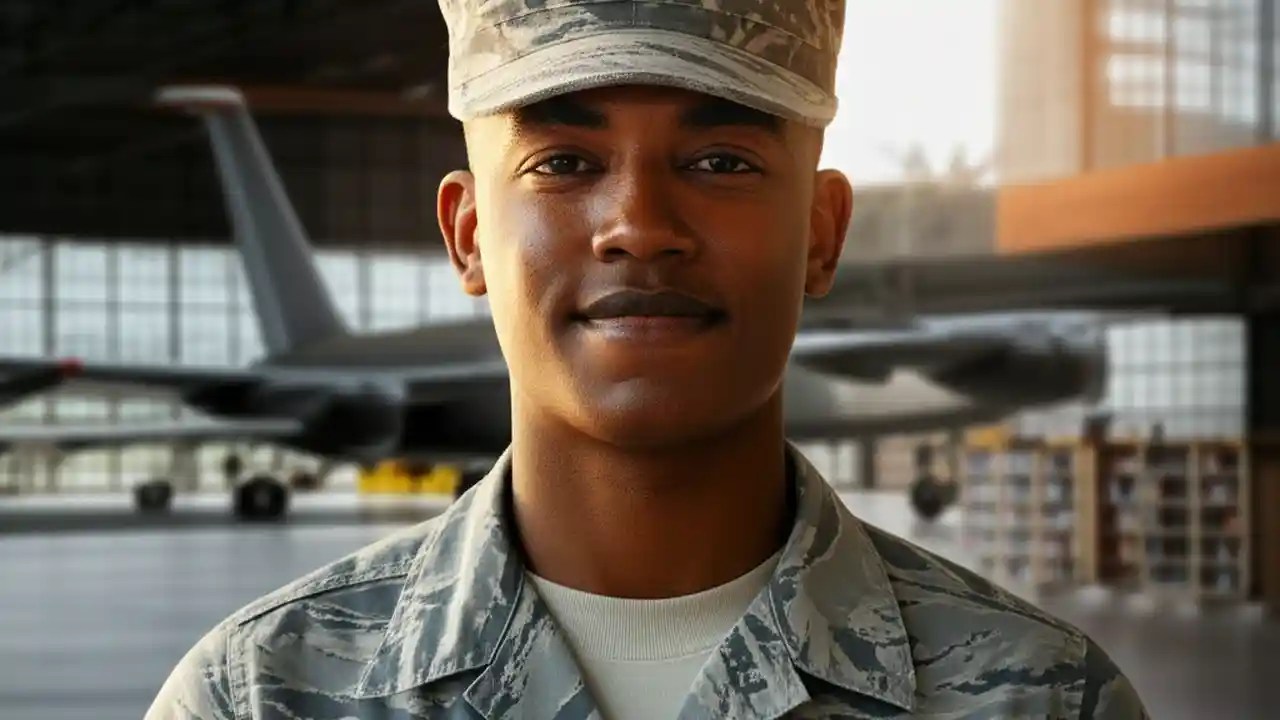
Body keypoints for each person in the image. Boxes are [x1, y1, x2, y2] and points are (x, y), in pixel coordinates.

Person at [146, 1, 1149, 718]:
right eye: (563, 163)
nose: (638, 227)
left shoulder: (1041, 698)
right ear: (465, 237)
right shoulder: (262, 693)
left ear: (821, 233)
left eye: (722, 162)